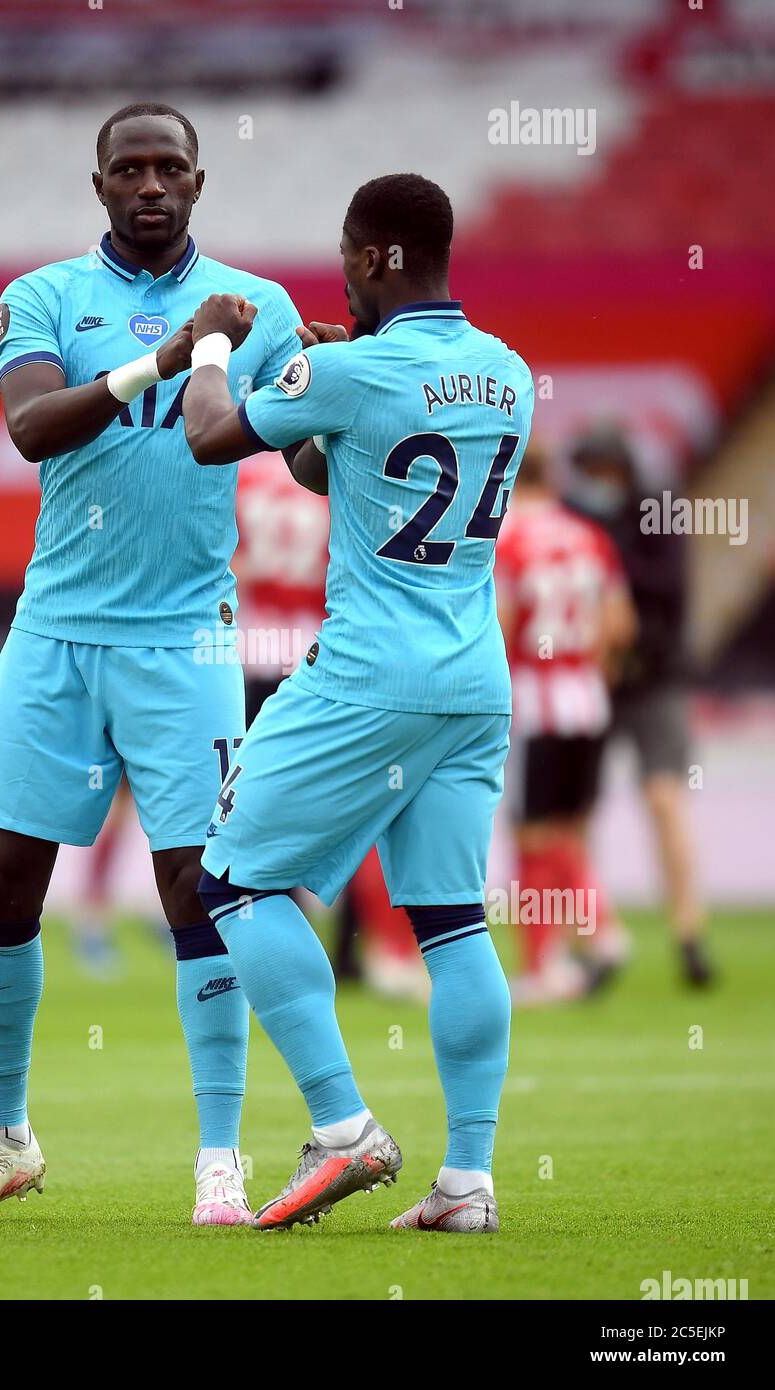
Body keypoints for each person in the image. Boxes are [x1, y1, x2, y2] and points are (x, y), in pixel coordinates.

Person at [0, 103, 305, 1227]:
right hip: (54, 630)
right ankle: (5, 1139)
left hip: (186, 636)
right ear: (97, 186)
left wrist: (324, 383)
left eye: (168, 167)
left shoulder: (263, 308)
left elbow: (308, 432)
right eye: (127, 168)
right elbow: (33, 426)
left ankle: (218, 1160)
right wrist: (168, 356)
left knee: (196, 889)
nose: (149, 184)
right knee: (2, 882)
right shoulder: (40, 297)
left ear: (199, 182)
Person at [182, 173, 534, 1232]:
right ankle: (465, 1181)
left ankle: (342, 1129)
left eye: (348, 256)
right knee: (450, 921)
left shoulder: (350, 368)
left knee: (230, 881)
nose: (340, 272)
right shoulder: (507, 371)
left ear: (374, 258)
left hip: (366, 677)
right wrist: (327, 387)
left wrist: (209, 342)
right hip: (473, 680)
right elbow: (337, 467)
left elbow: (209, 435)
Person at [567, 427, 714, 987]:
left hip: (656, 681)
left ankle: (689, 934)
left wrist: (608, 557)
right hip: (592, 679)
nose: (598, 481)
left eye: (607, 469)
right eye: (591, 469)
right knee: (575, 814)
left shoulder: (660, 511)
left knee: (664, 799)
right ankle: (591, 941)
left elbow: (669, 588)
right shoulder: (572, 516)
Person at [495, 441, 636, 1005]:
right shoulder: (589, 537)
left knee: (532, 834)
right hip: (587, 701)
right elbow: (620, 625)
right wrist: (591, 671)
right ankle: (591, 936)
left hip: (535, 704)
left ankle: (563, 953)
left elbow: (502, 628)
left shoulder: (507, 540)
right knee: (568, 830)